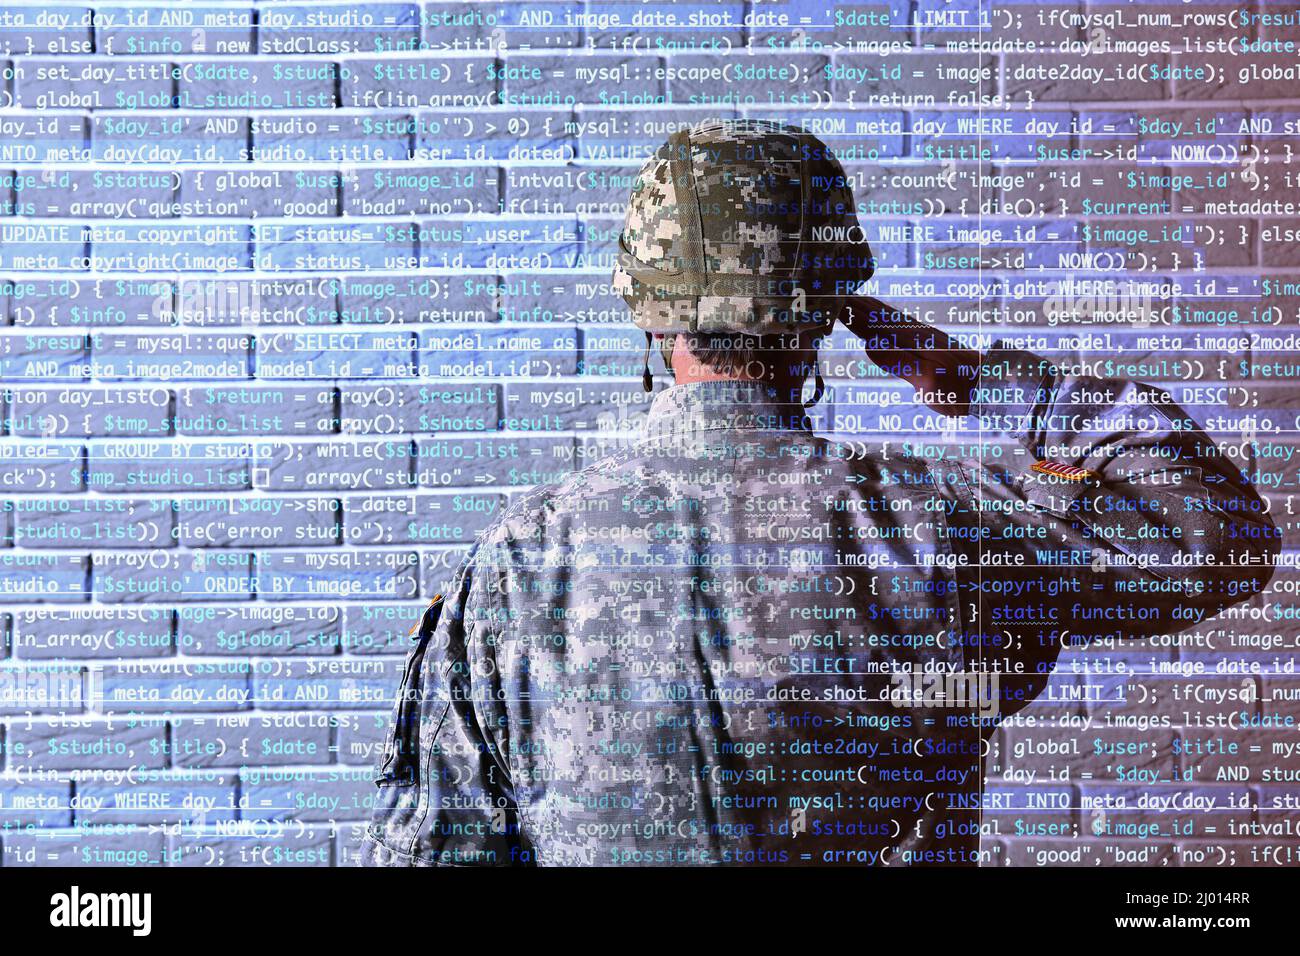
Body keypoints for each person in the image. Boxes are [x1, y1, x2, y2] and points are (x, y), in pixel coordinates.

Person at [360, 120, 1277, 867]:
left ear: (645, 305)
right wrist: (983, 385)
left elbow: (435, 850)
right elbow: (1212, 540)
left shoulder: (515, 571)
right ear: (827, 310)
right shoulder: (940, 522)